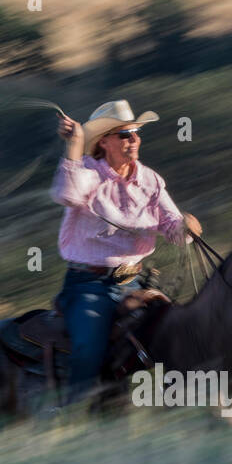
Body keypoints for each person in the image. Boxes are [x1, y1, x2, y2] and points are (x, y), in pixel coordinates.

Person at [50, 99, 202, 406]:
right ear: (104, 142)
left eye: (135, 133)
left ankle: (185, 407)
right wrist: (75, 146)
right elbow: (66, 194)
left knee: (179, 333)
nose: (134, 139)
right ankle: (71, 412)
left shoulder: (150, 180)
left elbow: (173, 228)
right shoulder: (89, 173)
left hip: (135, 285)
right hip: (88, 285)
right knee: (89, 347)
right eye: (125, 134)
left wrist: (188, 227)